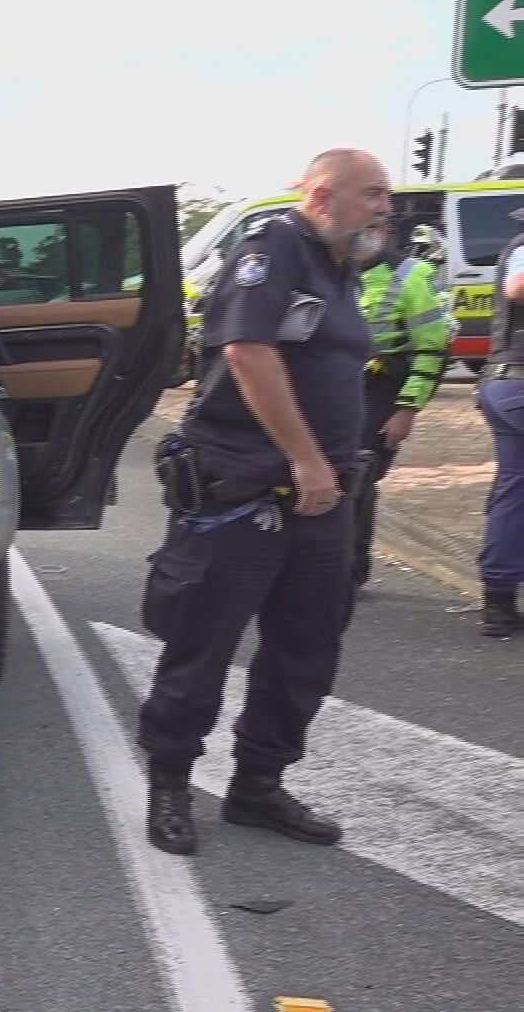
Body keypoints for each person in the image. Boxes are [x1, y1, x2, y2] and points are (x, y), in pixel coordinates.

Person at [138, 148, 388, 856]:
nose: (385, 208)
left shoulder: (339, 272)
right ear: (321, 195)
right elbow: (247, 351)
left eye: (386, 197)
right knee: (202, 647)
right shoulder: (273, 246)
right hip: (245, 491)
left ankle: (257, 788)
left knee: (305, 651)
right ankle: (170, 785)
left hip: (326, 498)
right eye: (372, 193)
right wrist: (305, 458)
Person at [352, 222, 454, 590]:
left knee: (357, 479)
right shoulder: (328, 269)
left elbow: (433, 347)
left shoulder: (412, 276)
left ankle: (350, 572)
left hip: (382, 393)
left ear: (386, 232)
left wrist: (407, 409)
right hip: (332, 389)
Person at [476, 208, 524, 637]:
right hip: (518, 385)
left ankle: (499, 595)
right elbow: (517, 287)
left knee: (514, 488)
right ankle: (499, 593)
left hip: (506, 383)